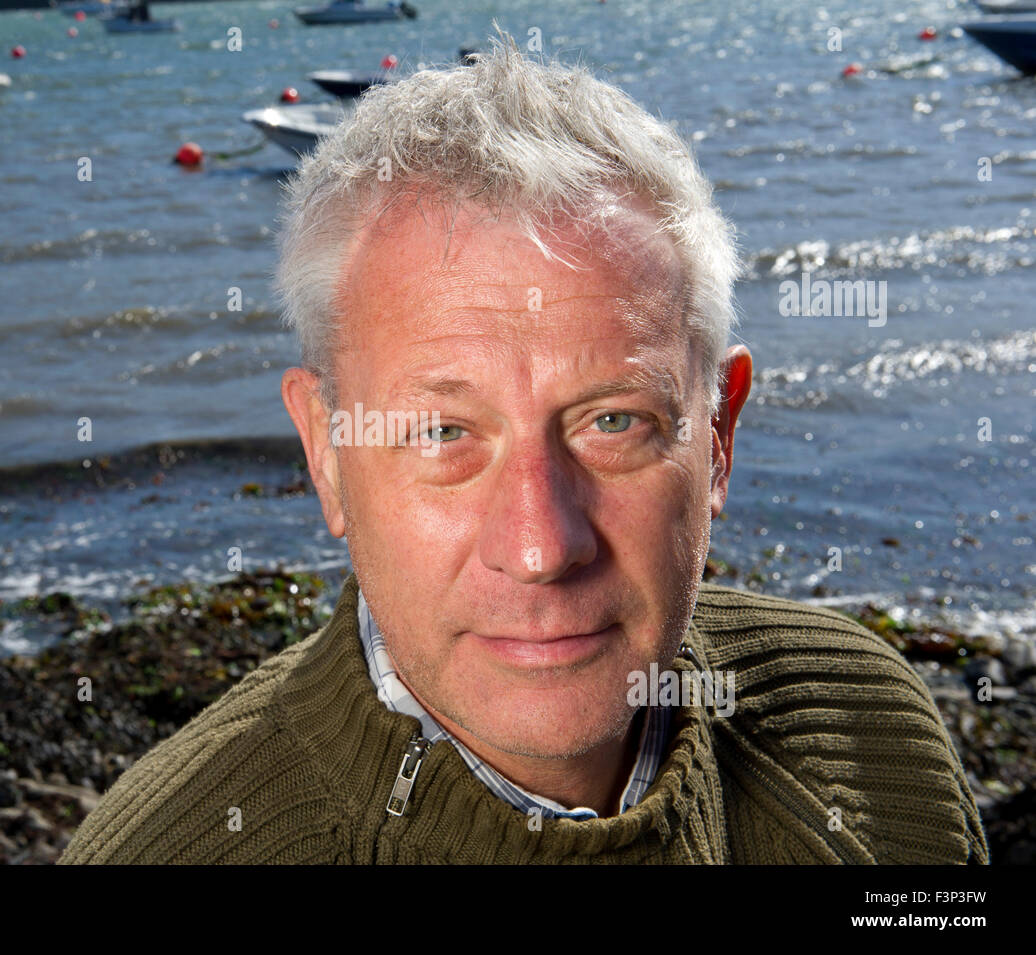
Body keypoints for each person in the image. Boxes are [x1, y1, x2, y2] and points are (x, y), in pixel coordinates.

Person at [59, 31, 988, 864]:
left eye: (612, 421)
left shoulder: (873, 736)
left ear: (718, 435)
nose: (542, 547)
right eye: (442, 432)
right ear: (327, 454)